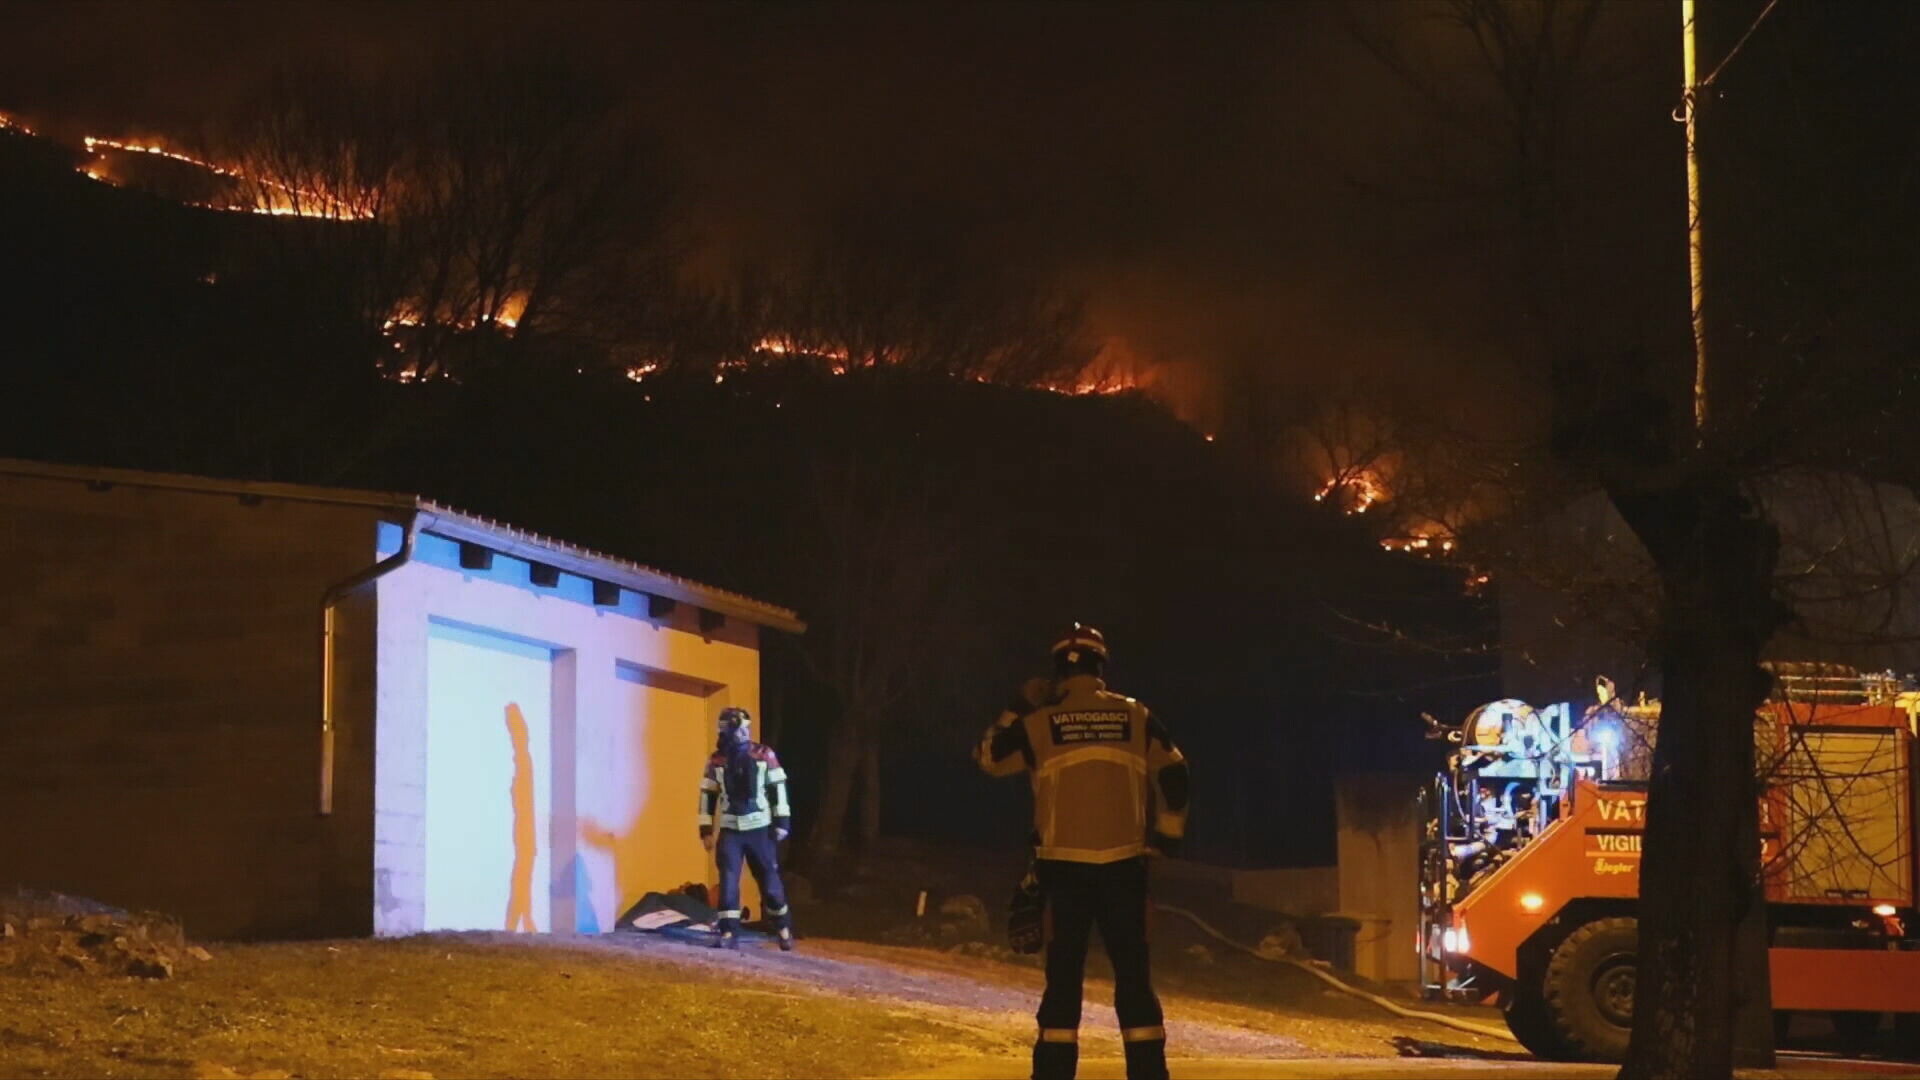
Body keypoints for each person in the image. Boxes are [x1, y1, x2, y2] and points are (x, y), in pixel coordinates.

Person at [975, 624, 1190, 1080]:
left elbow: (989, 757)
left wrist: (1017, 705)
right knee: (1134, 981)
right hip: (1125, 869)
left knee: (1063, 984)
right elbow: (1176, 775)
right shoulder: (1136, 716)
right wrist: (1166, 838)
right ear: (1102, 667)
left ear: (1058, 673)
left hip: (1062, 873)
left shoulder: (1038, 725)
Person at [698, 706, 795, 951]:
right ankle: (729, 931)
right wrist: (706, 829)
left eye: (744, 728)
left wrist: (782, 822)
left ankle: (783, 927)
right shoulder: (717, 760)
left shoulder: (763, 754)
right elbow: (707, 795)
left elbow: (778, 788)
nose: (742, 733)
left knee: (771, 885)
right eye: (737, 729)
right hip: (731, 831)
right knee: (728, 883)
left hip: (760, 830)